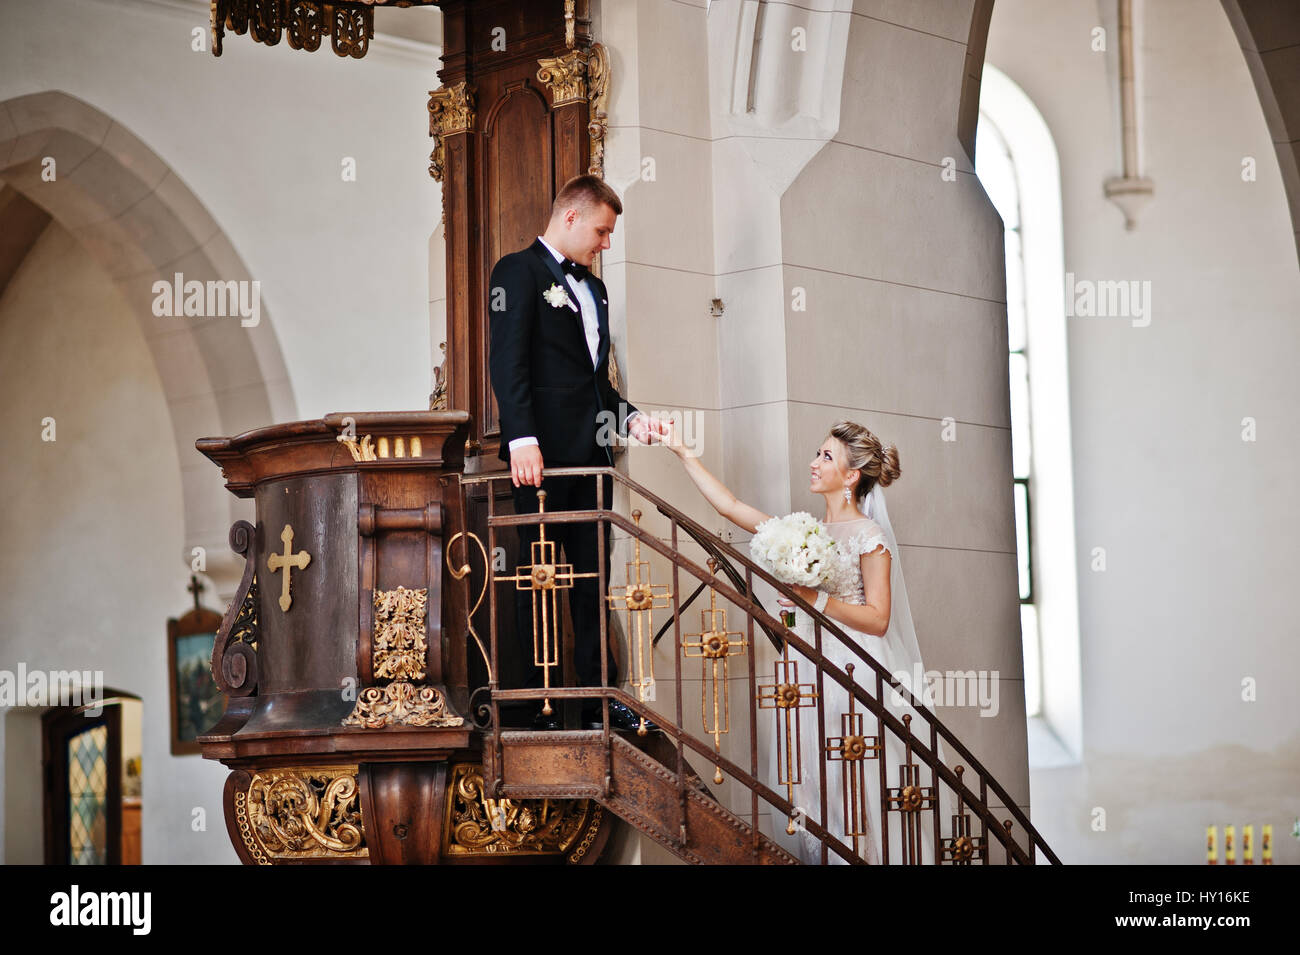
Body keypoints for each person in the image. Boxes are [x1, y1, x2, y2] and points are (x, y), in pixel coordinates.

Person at [663, 418, 938, 864]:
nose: (813, 463)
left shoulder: (870, 537)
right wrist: (681, 451)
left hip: (852, 668)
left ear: (851, 476)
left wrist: (816, 600)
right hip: (804, 668)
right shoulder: (801, 533)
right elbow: (731, 507)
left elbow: (879, 618)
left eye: (826, 457)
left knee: (857, 785)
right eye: (818, 452)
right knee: (816, 786)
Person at [488, 174, 668, 732]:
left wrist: (632, 418)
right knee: (534, 578)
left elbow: (594, 385)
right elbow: (508, 362)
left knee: (593, 582)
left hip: (593, 461)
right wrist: (521, 438)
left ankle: (597, 700)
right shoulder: (516, 273)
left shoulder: (597, 290)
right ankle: (531, 703)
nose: (606, 244)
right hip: (539, 460)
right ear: (570, 217)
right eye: (602, 231)